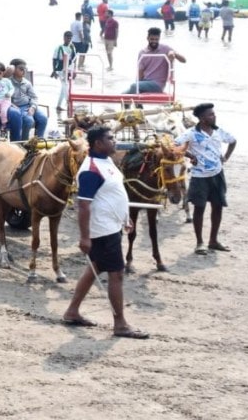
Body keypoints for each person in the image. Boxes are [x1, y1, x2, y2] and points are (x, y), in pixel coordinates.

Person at [61, 125, 149, 339]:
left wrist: (125, 217)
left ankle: (72, 312)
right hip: (102, 230)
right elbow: (83, 205)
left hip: (112, 225)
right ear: (98, 143)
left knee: (95, 268)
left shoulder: (106, 162)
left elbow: (114, 194)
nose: (115, 141)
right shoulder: (91, 170)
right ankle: (120, 324)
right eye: (110, 138)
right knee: (116, 274)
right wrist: (84, 237)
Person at [176, 103, 237, 255]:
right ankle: (200, 243)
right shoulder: (191, 133)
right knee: (199, 208)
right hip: (199, 177)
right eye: (210, 115)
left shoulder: (218, 131)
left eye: (214, 114)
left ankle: (213, 240)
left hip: (217, 175)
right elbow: (174, 145)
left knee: (218, 206)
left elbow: (233, 141)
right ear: (202, 118)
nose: (214, 116)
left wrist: (226, 158)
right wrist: (190, 156)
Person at [123, 27, 187, 94]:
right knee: (123, 94)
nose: (154, 41)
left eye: (156, 39)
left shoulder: (165, 49)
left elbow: (184, 60)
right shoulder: (142, 53)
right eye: (152, 39)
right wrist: (138, 84)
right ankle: (132, 103)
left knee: (134, 86)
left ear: (159, 39)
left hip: (158, 84)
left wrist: (174, 53)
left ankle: (137, 103)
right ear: (147, 38)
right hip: (145, 82)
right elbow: (140, 72)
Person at [8, 59, 48, 140]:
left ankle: (38, 141)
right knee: (28, 120)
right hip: (17, 107)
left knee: (43, 118)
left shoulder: (27, 83)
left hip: (29, 105)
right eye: (21, 69)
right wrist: (11, 105)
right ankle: (23, 143)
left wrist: (33, 107)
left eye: (25, 69)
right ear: (13, 69)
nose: (24, 71)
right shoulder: (8, 82)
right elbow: (4, 98)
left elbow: (34, 97)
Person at [52, 32, 76, 112]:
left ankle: (58, 105)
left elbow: (74, 60)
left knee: (64, 87)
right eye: (67, 38)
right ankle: (68, 103)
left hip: (69, 69)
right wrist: (54, 71)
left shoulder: (72, 48)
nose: (68, 40)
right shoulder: (59, 48)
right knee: (65, 85)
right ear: (64, 38)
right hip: (60, 70)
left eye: (70, 38)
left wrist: (74, 71)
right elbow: (54, 60)